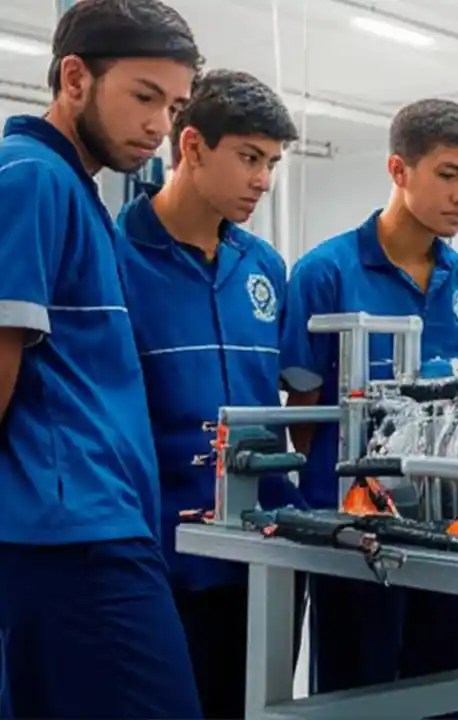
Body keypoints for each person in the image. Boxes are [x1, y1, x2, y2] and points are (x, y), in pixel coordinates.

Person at [0, 1, 205, 718]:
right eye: (144, 97)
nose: (159, 125)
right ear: (75, 77)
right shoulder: (29, 178)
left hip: (94, 525)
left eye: (173, 106)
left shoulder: (79, 195)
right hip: (71, 539)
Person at [279, 98, 458, 713]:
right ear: (400, 170)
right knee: (359, 694)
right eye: (448, 174)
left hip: (445, 529)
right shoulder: (326, 271)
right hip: (355, 531)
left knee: (443, 689)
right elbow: (305, 411)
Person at [113, 68, 305, 719]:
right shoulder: (115, 258)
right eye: (249, 158)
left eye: (272, 163)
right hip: (165, 554)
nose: (263, 180)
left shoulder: (265, 267)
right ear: (191, 146)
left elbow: (295, 396)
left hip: (267, 552)